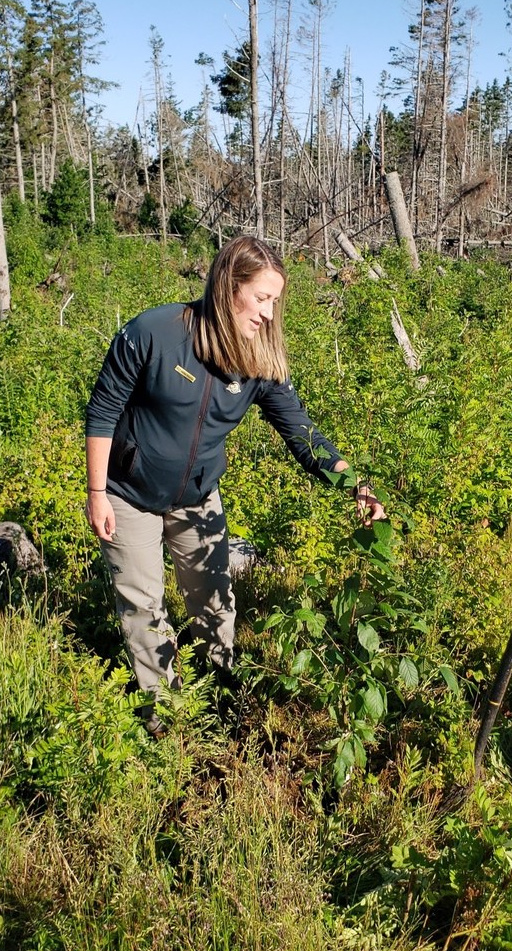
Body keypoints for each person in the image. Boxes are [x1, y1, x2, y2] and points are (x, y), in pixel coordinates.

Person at [84, 235, 385, 731]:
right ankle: (165, 713)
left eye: (275, 301)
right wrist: (97, 494)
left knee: (214, 598)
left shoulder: (258, 361)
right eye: (262, 297)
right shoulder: (154, 332)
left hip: (197, 497)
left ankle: (219, 688)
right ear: (228, 286)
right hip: (128, 493)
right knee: (143, 604)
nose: (269, 313)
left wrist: (355, 485)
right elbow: (102, 410)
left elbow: (302, 432)